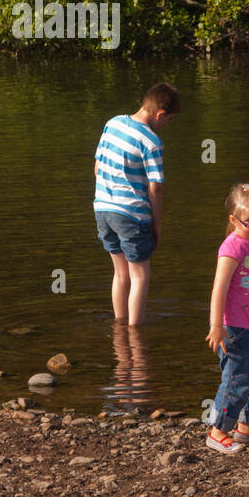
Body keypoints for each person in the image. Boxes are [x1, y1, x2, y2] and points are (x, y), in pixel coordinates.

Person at [93, 83, 181, 325]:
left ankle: (120, 328)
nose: (167, 126)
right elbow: (156, 187)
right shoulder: (151, 142)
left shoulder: (113, 124)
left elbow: (97, 167)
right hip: (132, 214)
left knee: (120, 274)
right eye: (169, 120)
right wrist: (157, 225)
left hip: (102, 209)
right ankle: (135, 333)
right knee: (140, 276)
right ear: (160, 114)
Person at [204, 183, 249, 454]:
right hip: (231, 326)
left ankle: (246, 427)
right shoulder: (232, 246)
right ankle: (218, 430)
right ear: (234, 220)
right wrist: (216, 325)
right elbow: (219, 287)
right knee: (237, 379)